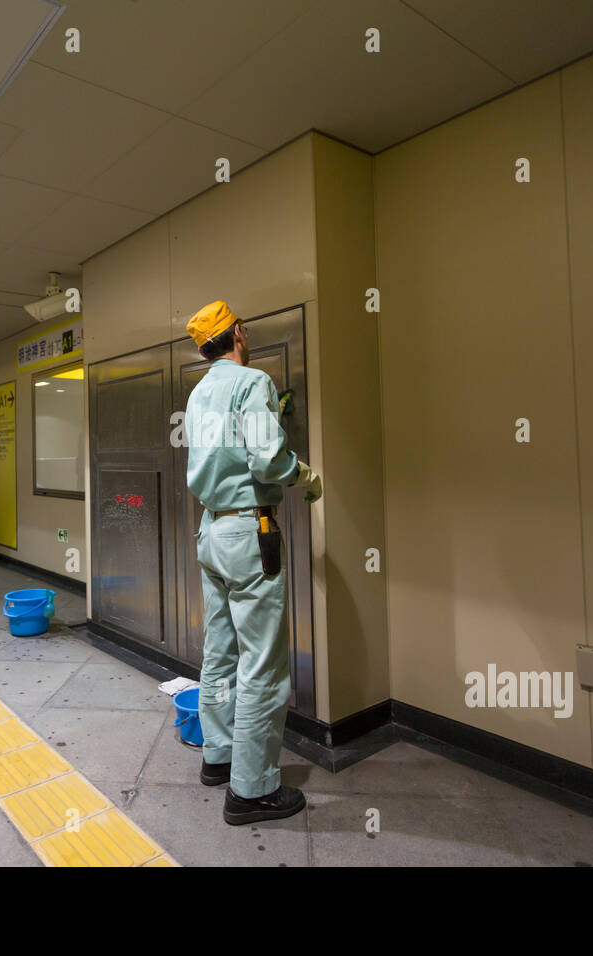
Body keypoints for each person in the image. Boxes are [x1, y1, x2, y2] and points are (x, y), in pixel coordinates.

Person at [184, 300, 323, 826]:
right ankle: (253, 790)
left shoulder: (197, 394)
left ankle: (217, 756)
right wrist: (306, 477)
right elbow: (267, 458)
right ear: (238, 333)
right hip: (250, 532)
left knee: (219, 651)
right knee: (262, 661)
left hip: (210, 529)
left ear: (204, 347)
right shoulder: (252, 383)